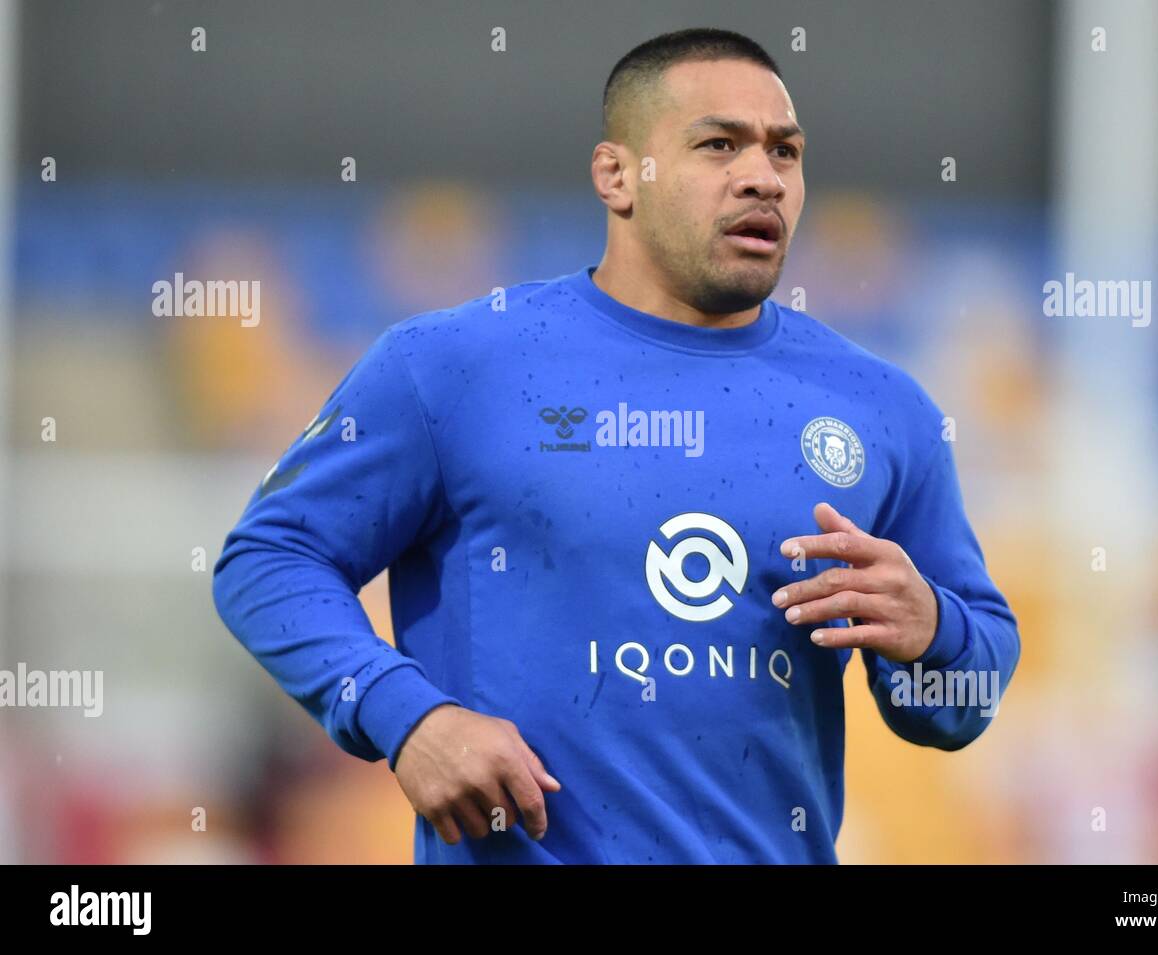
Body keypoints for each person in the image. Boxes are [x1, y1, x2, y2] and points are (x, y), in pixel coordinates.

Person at [212, 27, 1020, 864]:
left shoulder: (884, 409)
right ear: (617, 175)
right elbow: (270, 554)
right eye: (719, 145)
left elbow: (965, 694)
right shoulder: (453, 367)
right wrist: (407, 715)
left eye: (786, 151)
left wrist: (935, 632)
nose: (763, 176)